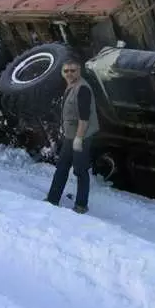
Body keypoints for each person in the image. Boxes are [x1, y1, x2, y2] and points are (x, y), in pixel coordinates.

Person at [45, 57, 99, 213]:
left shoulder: (82, 89)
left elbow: (84, 118)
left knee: (80, 170)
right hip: (71, 136)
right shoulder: (72, 85)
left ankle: (81, 205)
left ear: (79, 71)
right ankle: (52, 199)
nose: (69, 73)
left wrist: (79, 139)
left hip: (80, 136)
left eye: (72, 70)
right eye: (66, 71)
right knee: (62, 167)